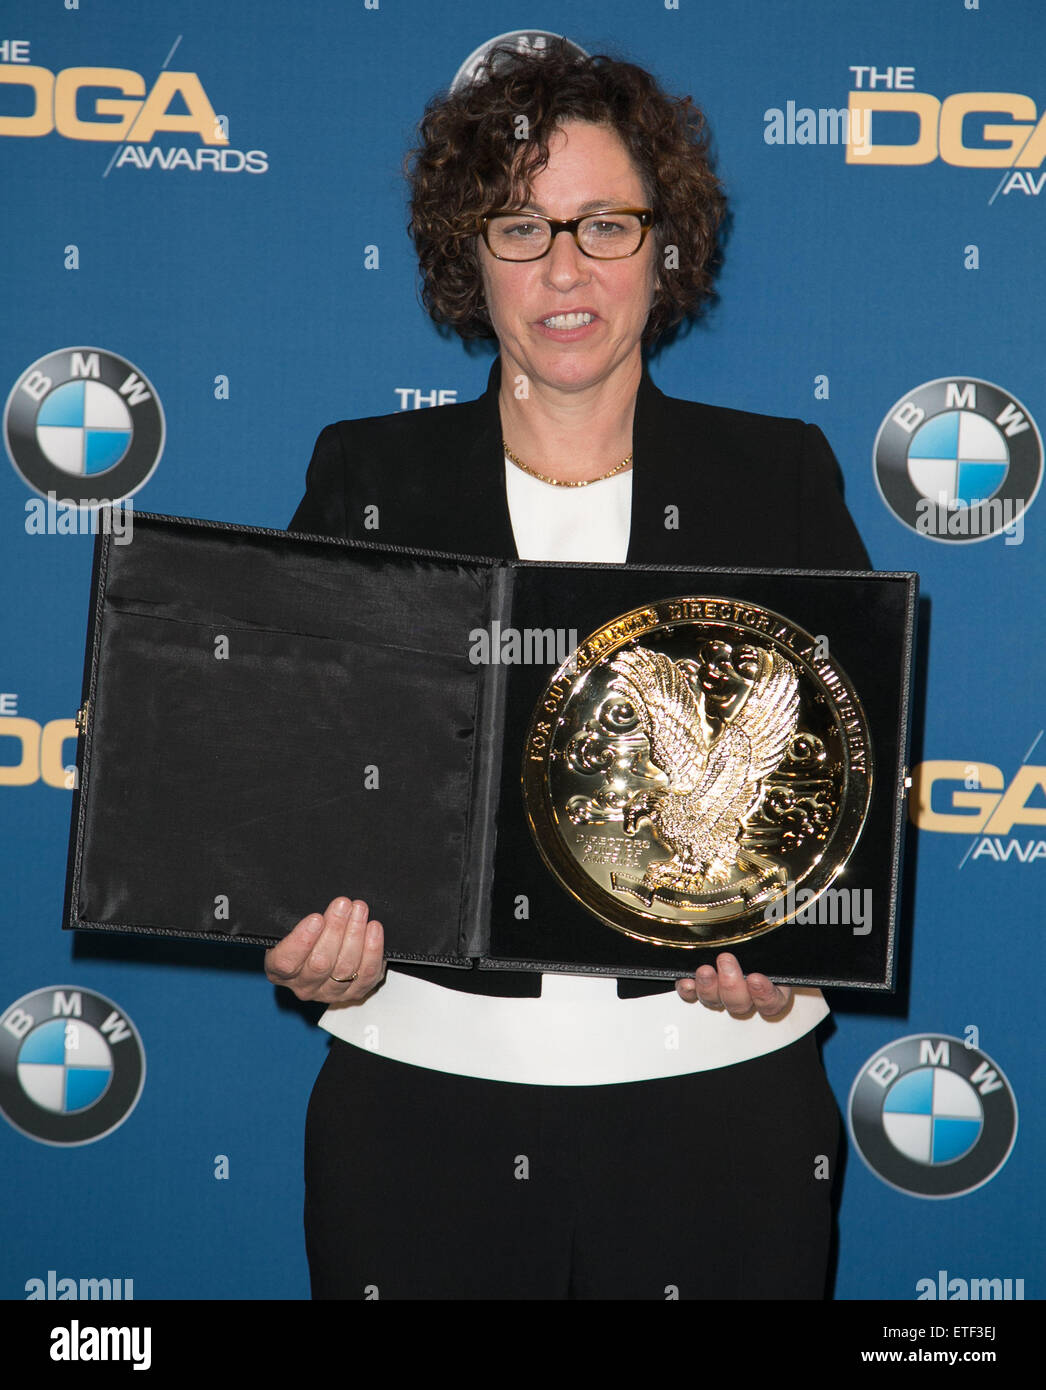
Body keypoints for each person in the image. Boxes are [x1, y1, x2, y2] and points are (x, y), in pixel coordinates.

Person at [264, 42, 870, 1300]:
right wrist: (296, 929)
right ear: (463, 257)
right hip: (420, 1107)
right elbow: (291, 775)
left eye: (604, 225)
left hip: (719, 1104)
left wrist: (802, 936)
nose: (564, 272)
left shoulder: (779, 477)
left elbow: (852, 783)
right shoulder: (367, 477)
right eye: (519, 229)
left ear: (667, 246)